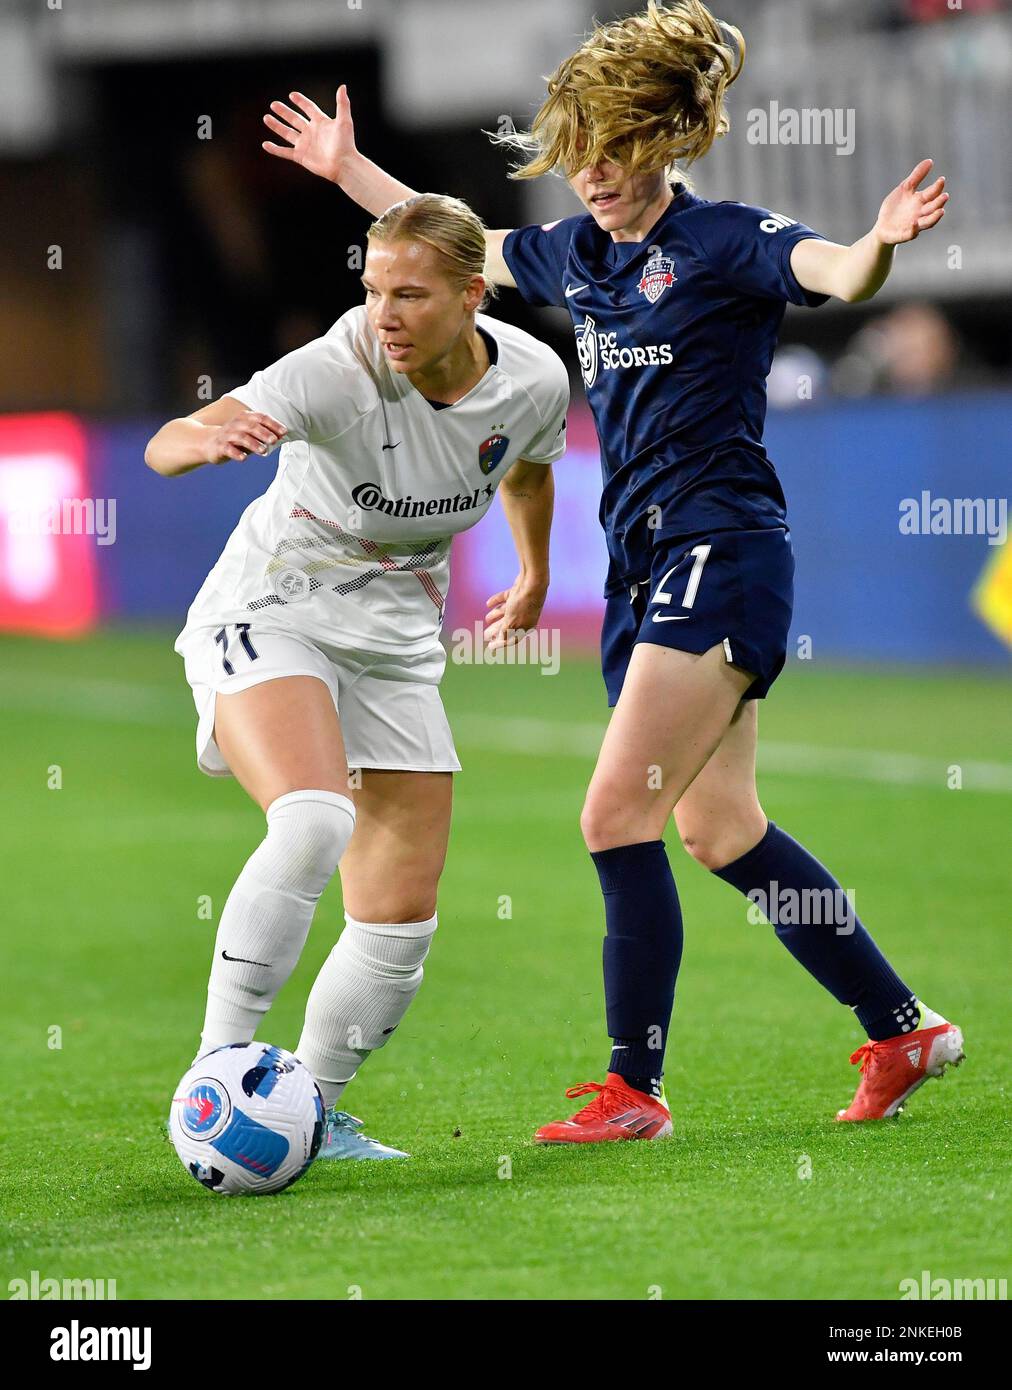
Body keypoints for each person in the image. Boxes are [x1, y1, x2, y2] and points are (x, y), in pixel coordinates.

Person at [262, 0, 965, 1142]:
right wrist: (351, 171)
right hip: (641, 570)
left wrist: (879, 239)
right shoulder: (577, 252)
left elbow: (834, 272)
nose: (591, 174)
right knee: (719, 829)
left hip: (721, 552)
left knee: (612, 816)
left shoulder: (726, 239)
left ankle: (633, 1090)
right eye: (577, 150)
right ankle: (901, 1029)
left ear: (665, 142)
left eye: (616, 151)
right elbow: (453, 245)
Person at [146, 193, 569, 1159]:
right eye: (374, 289)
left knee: (400, 917)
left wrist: (533, 571)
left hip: (396, 635)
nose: (385, 314)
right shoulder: (336, 370)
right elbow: (168, 438)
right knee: (312, 818)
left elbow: (529, 471)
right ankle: (219, 1077)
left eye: (410, 294)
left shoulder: (535, 376)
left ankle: (312, 1108)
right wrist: (202, 442)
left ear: (474, 297)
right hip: (274, 604)